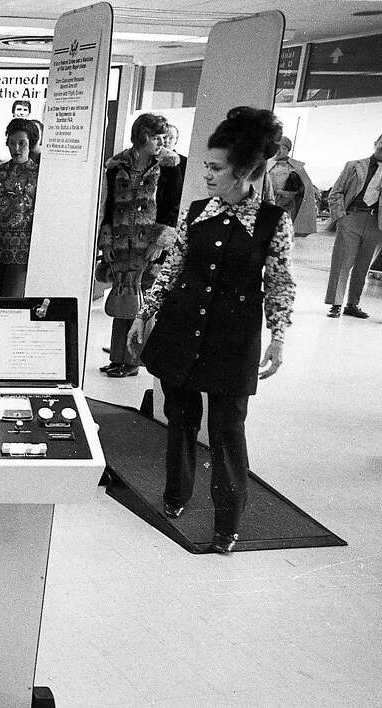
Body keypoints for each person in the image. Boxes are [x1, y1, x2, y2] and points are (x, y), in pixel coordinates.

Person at [129, 107, 295, 554]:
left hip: (232, 339)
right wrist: (146, 313)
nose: (204, 173)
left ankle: (228, 523)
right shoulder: (198, 212)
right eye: (206, 164)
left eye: (215, 167)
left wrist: (279, 336)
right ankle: (175, 495)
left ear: (245, 171)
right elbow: (173, 267)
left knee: (227, 430)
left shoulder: (273, 223)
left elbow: (280, 281)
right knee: (180, 419)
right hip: (182, 328)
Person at [97, 112, 183, 378]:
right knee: (123, 295)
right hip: (123, 243)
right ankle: (117, 356)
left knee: (143, 302)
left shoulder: (169, 166)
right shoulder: (117, 166)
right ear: (143, 136)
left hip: (149, 245)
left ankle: (134, 360)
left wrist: (161, 241)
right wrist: (107, 239)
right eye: (156, 137)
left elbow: (172, 208)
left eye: (162, 137)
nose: (161, 142)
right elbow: (109, 206)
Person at [324, 134, 382, 319]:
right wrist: (341, 217)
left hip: (375, 223)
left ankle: (352, 304)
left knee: (363, 266)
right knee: (342, 262)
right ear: (375, 143)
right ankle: (336, 304)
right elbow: (336, 192)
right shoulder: (354, 165)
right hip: (352, 217)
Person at [0, 118, 41, 297]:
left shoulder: (40, 174)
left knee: (12, 301)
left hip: (23, 250)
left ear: (31, 143)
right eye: (12, 143)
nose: (16, 149)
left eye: (21, 143)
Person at [265, 137, 317, 237]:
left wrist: (293, 193)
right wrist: (278, 192)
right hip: (269, 202)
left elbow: (306, 186)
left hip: (289, 206)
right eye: (277, 147)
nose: (279, 151)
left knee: (283, 233)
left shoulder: (296, 166)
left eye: (284, 148)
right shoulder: (266, 164)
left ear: (288, 151)